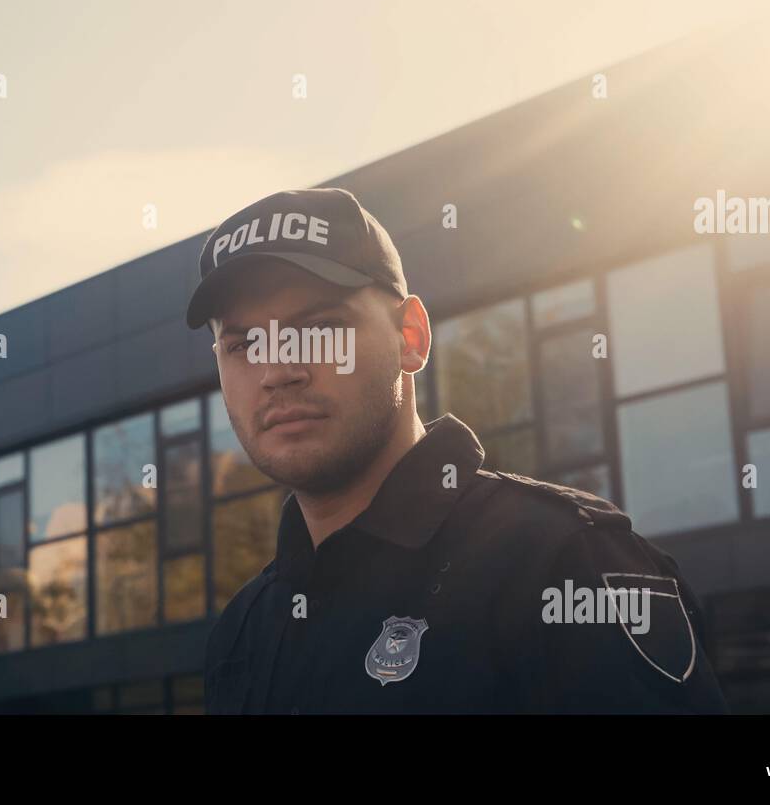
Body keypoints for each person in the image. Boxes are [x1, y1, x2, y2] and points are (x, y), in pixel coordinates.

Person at [186, 187, 728, 714]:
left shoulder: (562, 565)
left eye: (322, 329)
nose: (280, 370)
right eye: (244, 345)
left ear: (412, 337)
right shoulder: (241, 631)